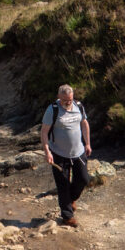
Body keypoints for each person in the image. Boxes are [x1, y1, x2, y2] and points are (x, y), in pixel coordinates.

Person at [40, 84, 92, 227]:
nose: (68, 102)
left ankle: (71, 199)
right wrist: (47, 152)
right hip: (58, 153)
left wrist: (87, 144)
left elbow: (84, 123)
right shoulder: (52, 110)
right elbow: (44, 132)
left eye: (70, 99)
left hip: (79, 152)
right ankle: (67, 217)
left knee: (83, 179)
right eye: (65, 100)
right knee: (62, 185)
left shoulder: (78, 106)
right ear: (59, 97)